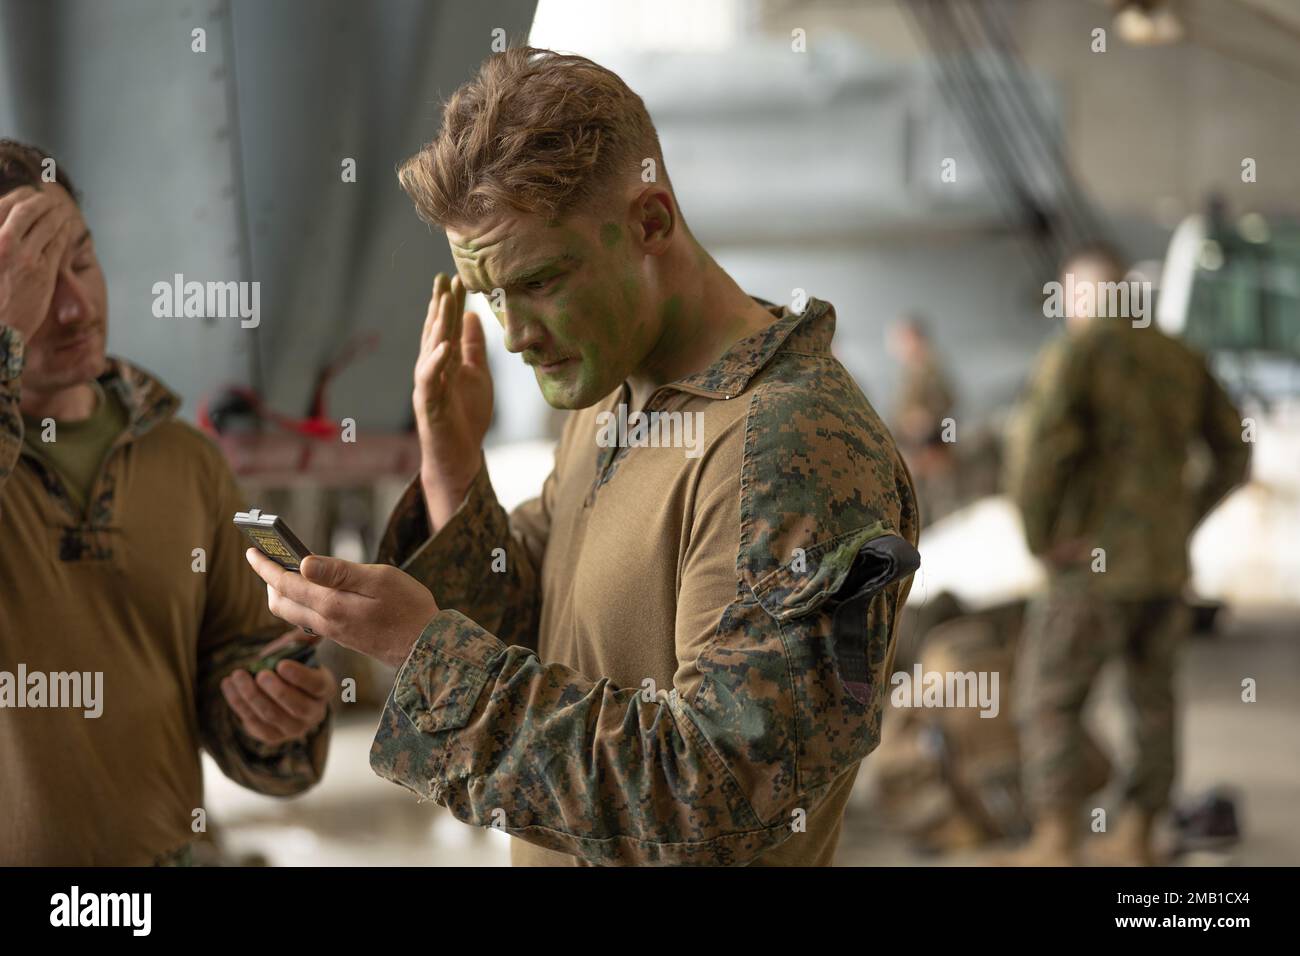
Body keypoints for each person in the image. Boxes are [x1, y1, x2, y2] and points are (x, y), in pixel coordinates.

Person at [245, 46, 920, 866]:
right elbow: (549, 631)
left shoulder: (788, 440)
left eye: (540, 281)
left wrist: (428, 657)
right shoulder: (611, 389)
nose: (516, 336)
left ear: (651, 222)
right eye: (491, 295)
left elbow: (718, 794)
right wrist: (451, 471)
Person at [0, 141, 333, 865]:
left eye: (80, 261)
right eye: (26, 280)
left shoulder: (187, 462)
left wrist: (270, 716)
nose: (71, 305)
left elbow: (232, 667)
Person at [1002, 243, 1250, 865]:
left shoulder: (1077, 354)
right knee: (1154, 705)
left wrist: (1040, 540)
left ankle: (1057, 838)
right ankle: (1138, 833)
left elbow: (1038, 455)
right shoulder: (1179, 358)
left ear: (1081, 294)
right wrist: (1182, 518)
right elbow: (1235, 450)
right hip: (1163, 570)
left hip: (1088, 569)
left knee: (1049, 699)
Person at [887, 314, 958, 522]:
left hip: (932, 449)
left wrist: (928, 422)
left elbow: (948, 403)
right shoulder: (909, 370)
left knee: (940, 510)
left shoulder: (932, 366)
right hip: (914, 449)